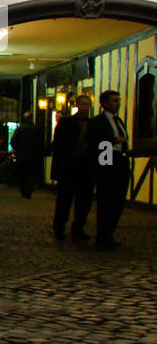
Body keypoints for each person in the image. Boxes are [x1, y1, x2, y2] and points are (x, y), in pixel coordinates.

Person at [84, 90, 131, 249]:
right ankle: (103, 235)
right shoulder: (98, 121)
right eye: (114, 101)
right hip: (108, 161)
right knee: (107, 200)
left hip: (121, 160)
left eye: (118, 100)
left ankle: (109, 232)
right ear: (104, 103)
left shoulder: (118, 121)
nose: (117, 104)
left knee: (118, 200)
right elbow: (93, 141)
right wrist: (113, 140)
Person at [51, 94, 94, 241]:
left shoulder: (92, 124)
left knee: (84, 201)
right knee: (65, 200)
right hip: (69, 166)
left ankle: (78, 228)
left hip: (86, 167)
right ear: (77, 105)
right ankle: (59, 228)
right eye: (83, 104)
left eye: (88, 104)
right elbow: (58, 144)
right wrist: (62, 162)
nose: (86, 107)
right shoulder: (67, 122)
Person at [9, 114, 43, 199]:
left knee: (22, 173)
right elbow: (40, 143)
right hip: (33, 156)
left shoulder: (20, 129)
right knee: (30, 173)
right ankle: (28, 191)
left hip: (22, 155)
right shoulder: (36, 129)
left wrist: (18, 149)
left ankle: (23, 190)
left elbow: (13, 141)